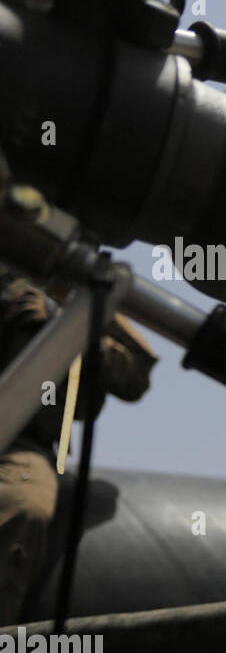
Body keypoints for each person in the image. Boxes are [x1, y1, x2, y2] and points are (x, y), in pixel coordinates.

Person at [0, 267, 157, 624]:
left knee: (24, 505)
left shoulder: (83, 284)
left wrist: (65, 331)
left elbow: (135, 377)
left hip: (20, 442)